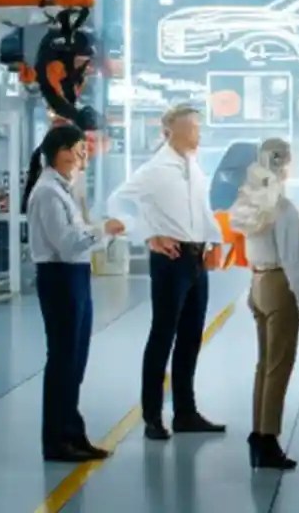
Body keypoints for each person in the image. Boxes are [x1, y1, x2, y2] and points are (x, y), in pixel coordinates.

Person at [107, 104, 226, 440]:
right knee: (163, 336)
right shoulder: (155, 170)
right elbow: (117, 201)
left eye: (198, 128)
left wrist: (214, 242)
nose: (197, 134)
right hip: (171, 262)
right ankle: (152, 417)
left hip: (195, 260)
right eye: (191, 128)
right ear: (169, 131)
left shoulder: (194, 168)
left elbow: (203, 210)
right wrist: (147, 234)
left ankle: (186, 413)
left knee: (190, 338)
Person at [24, 123, 125, 462]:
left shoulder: (64, 188)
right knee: (64, 360)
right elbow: (67, 245)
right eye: (80, 149)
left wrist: (98, 231)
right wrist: (104, 231)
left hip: (75, 276)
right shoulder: (48, 193)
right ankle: (56, 441)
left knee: (76, 360)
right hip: (60, 277)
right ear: (62, 152)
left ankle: (72, 433)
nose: (85, 156)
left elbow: (76, 235)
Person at [229, 138, 299, 470]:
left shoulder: (250, 203)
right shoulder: (283, 208)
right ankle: (269, 441)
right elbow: (292, 261)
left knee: (264, 365)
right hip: (280, 286)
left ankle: (258, 434)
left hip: (257, 284)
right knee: (280, 367)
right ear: (286, 163)